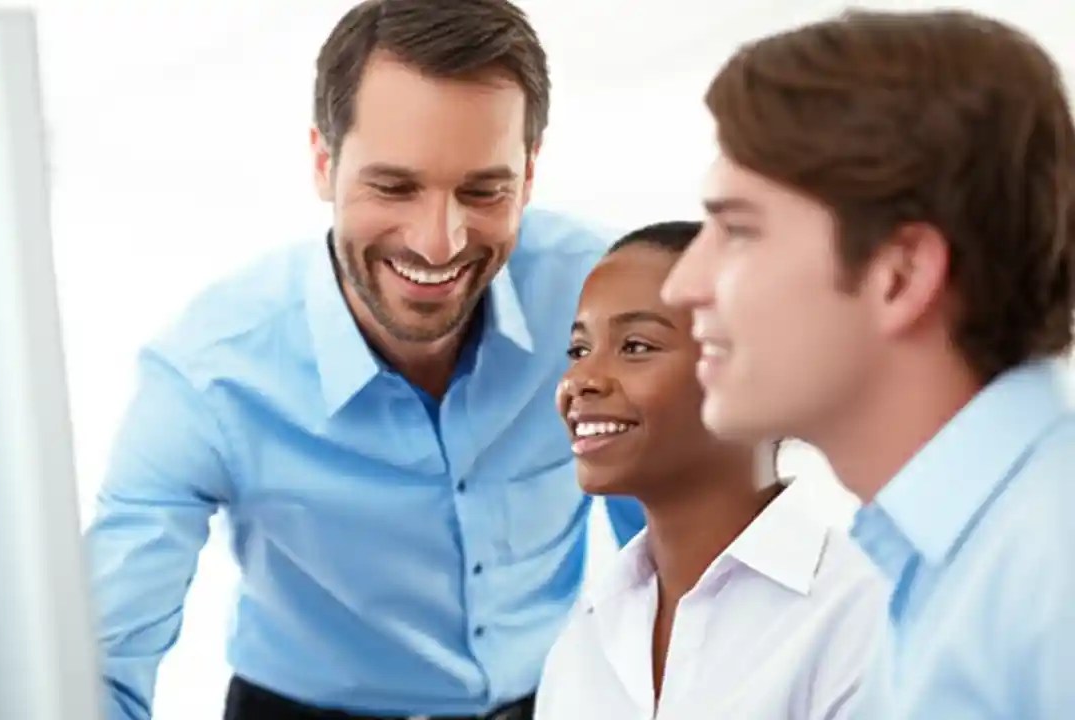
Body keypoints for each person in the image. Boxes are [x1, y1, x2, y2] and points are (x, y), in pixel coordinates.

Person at [84, 1, 646, 719]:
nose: (438, 243)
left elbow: (687, 557)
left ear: (529, 175)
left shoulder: (606, 300)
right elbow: (102, 663)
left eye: (483, 191)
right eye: (394, 186)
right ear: (324, 161)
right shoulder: (206, 374)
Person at [661, 10, 1075, 719]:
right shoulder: (928, 563)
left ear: (900, 274)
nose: (680, 286)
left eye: (737, 231)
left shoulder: (1051, 564)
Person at [534, 222, 885, 719]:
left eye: (636, 346)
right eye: (578, 350)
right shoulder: (588, 634)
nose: (579, 380)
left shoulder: (858, 614)